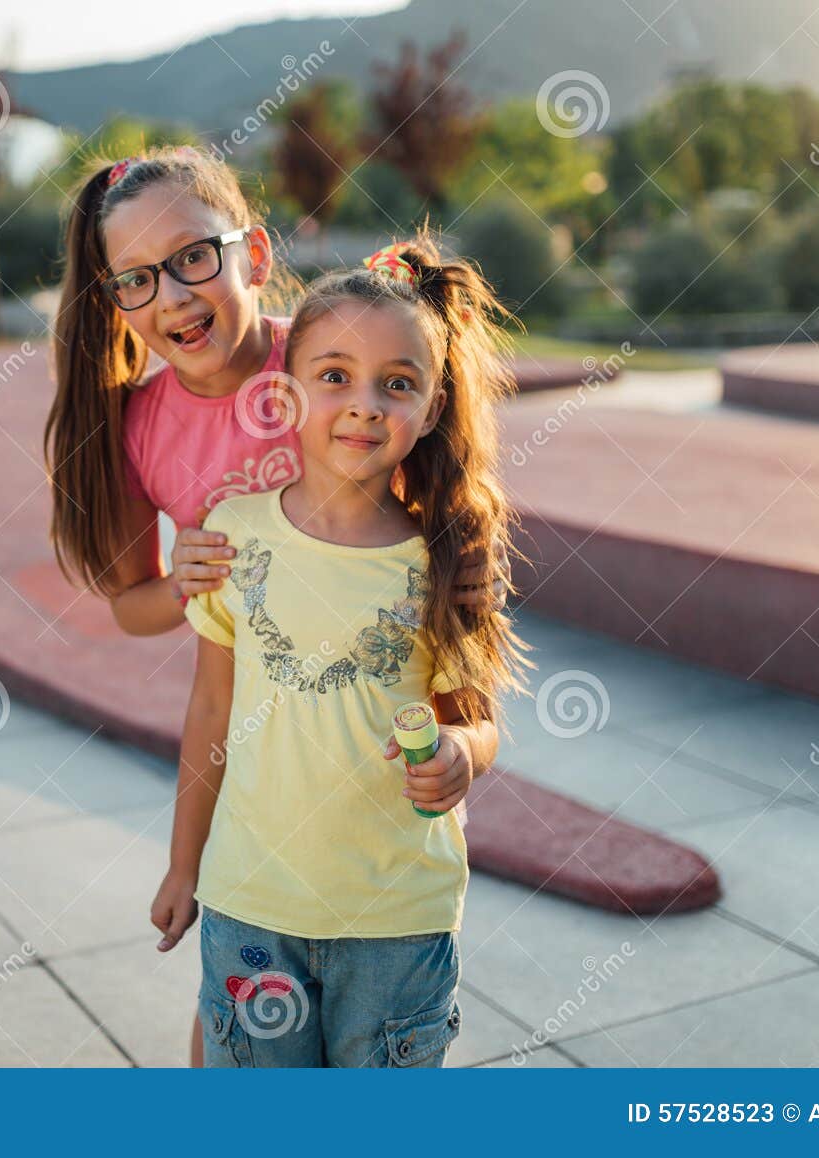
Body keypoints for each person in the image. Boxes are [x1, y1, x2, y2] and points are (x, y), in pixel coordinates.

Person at [45, 145, 508, 1065]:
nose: (174, 295)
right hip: (255, 721)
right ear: (115, 304)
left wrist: (475, 555)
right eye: (136, 280)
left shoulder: (330, 353)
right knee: (236, 1035)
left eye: (192, 258)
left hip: (370, 731)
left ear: (251, 255)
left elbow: (435, 455)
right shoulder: (137, 425)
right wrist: (180, 588)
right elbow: (129, 607)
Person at [148, 236, 530, 1066]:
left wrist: (464, 752)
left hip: (397, 921)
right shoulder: (234, 534)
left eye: (397, 385)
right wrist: (186, 868)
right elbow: (209, 712)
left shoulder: (445, 560)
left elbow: (476, 720)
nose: (364, 405)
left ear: (431, 409)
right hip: (253, 907)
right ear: (287, 393)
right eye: (335, 376)